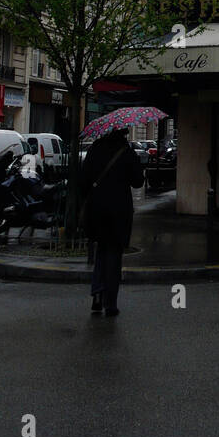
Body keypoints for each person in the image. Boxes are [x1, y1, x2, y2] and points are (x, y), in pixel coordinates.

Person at [80, 129, 142, 317]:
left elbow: (84, 179)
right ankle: (111, 302)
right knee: (114, 254)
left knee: (101, 250)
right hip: (118, 211)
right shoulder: (126, 151)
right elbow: (138, 181)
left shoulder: (95, 149)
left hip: (97, 209)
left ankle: (97, 294)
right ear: (122, 133)